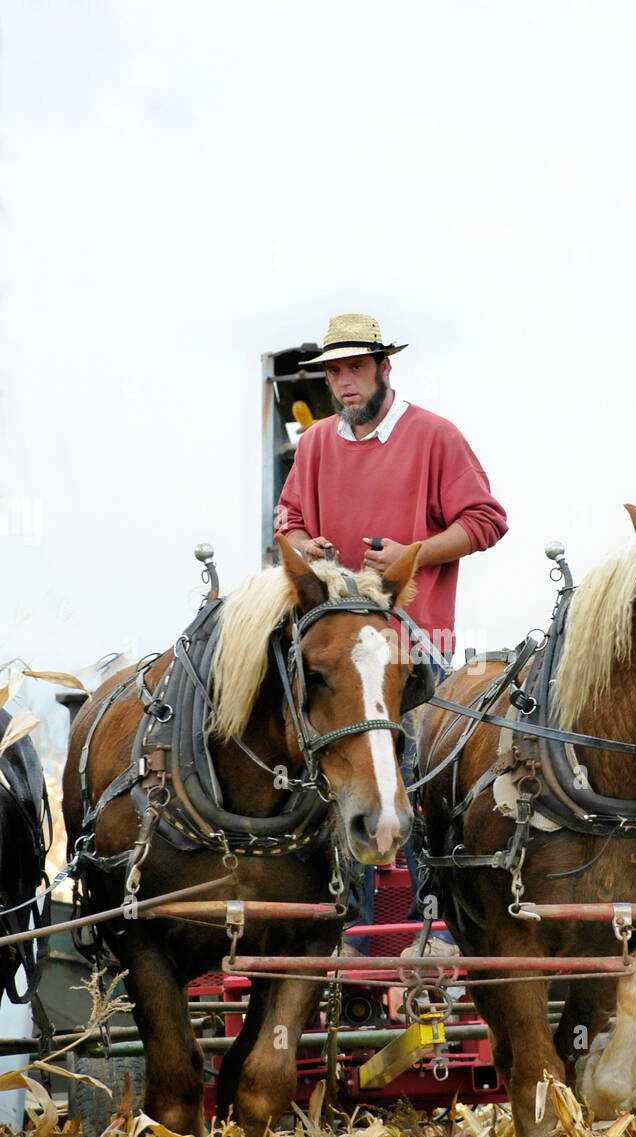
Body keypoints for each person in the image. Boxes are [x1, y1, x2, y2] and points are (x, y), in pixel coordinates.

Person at [274, 311, 508, 922]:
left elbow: (487, 521)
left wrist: (413, 555)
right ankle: (336, 922)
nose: (345, 382)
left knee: (418, 784)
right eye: (334, 372)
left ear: (384, 367)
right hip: (329, 650)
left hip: (411, 649)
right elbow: (287, 522)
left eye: (355, 367)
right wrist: (304, 546)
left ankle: (429, 922)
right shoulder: (317, 442)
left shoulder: (435, 436)